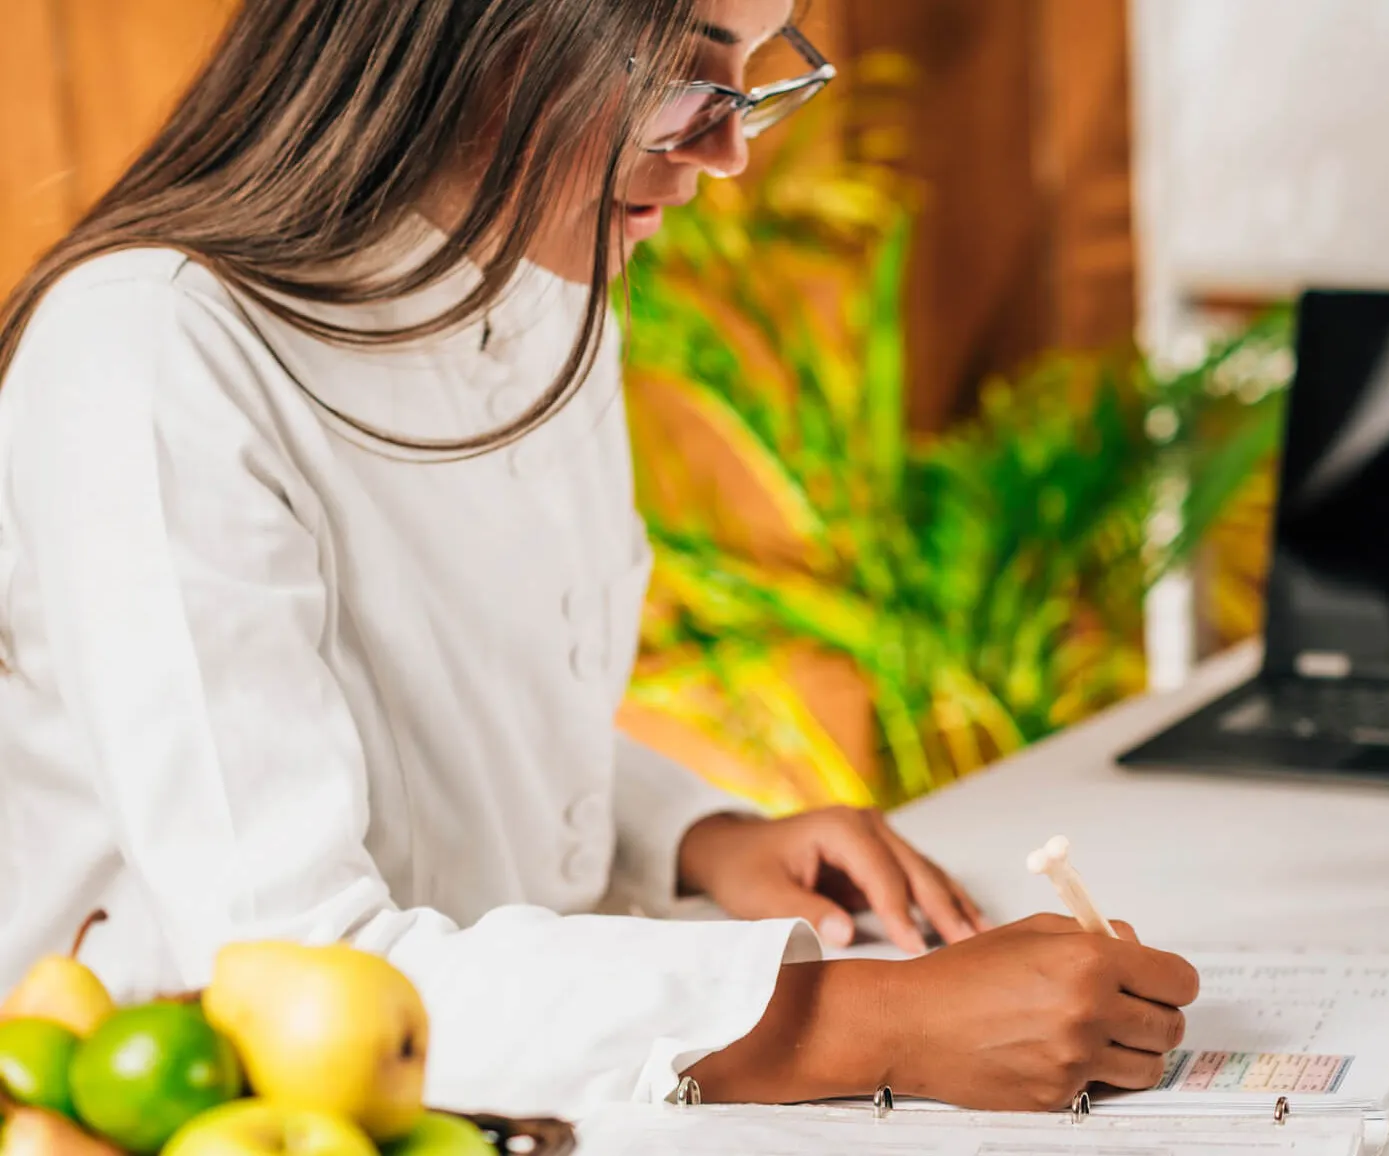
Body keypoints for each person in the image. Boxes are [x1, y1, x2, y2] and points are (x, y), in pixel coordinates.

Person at [0, 0, 1197, 1118]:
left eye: (759, 64)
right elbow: (295, 978)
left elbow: (423, 697)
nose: (729, 151)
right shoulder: (152, 350)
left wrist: (692, 837)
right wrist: (859, 1021)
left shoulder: (540, 296)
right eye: (691, 64)